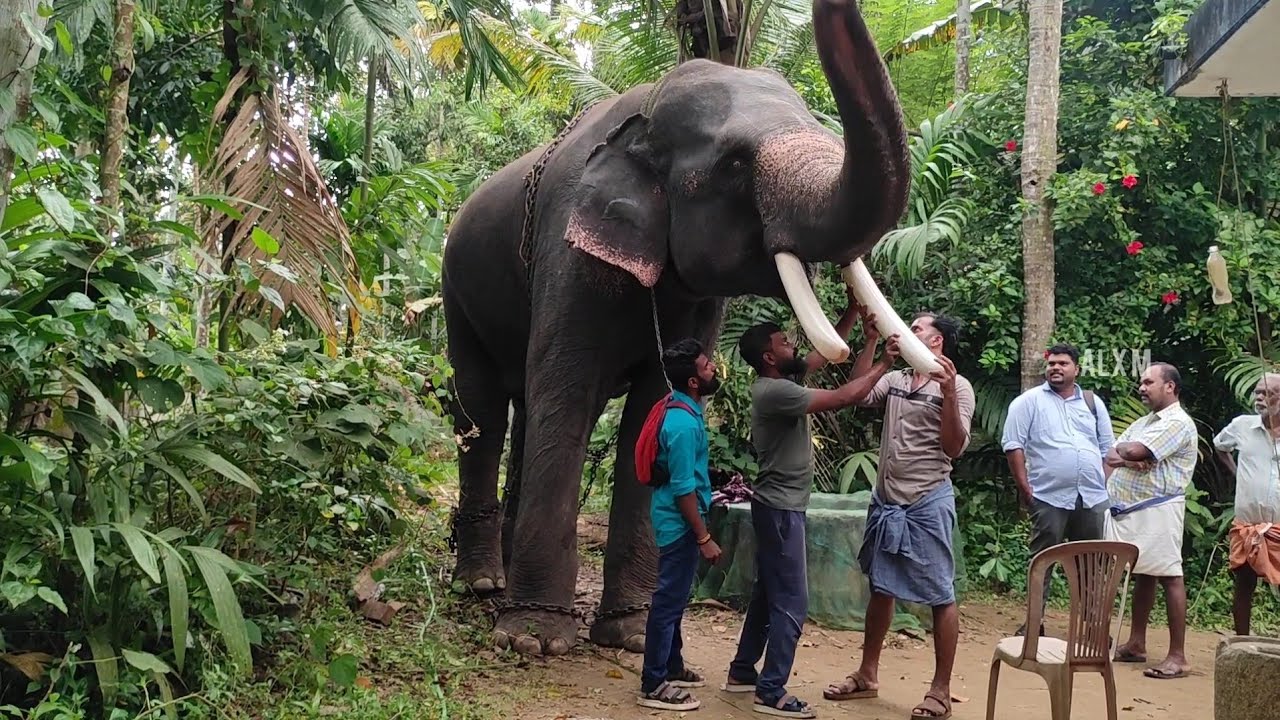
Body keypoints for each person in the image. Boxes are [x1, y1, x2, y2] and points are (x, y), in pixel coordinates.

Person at [724, 289, 899, 719]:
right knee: (793, 602)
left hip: (779, 506)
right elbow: (844, 397)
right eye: (785, 342)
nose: (793, 345)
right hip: (782, 509)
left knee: (769, 592)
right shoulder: (774, 391)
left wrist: (855, 316)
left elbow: (826, 353)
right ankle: (772, 690)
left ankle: (743, 672)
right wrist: (885, 365)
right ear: (769, 356)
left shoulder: (784, 379)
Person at [823, 311, 975, 720]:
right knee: (881, 586)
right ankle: (867, 673)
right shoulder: (896, 380)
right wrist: (874, 346)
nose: (911, 331)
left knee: (941, 594)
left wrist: (944, 394)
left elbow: (953, 447)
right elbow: (855, 392)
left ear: (938, 341)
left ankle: (940, 691)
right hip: (887, 500)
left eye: (919, 327)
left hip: (926, 501)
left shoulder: (958, 386)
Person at [1001, 343, 1115, 636]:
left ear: (1076, 369)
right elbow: (1013, 446)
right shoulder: (1028, 402)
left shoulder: (1092, 402)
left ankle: (1092, 627)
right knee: (1042, 560)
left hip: (1091, 498)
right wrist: (1027, 492)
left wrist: (1100, 482)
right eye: (1052, 363)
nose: (1056, 368)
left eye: (1063, 363)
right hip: (1048, 497)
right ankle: (1034, 622)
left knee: (1092, 563)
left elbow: (1108, 450)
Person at [637, 338, 723, 711]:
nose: (713, 369)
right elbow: (684, 488)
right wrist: (703, 535)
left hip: (673, 517)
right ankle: (653, 683)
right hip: (679, 523)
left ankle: (672, 665)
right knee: (668, 601)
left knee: (674, 597)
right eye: (706, 367)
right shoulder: (683, 426)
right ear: (693, 381)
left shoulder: (677, 410)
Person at [1104, 362, 1198, 680]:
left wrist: (1134, 453)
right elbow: (1113, 452)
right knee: (1144, 574)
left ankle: (1178, 656)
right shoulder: (1147, 421)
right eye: (1141, 382)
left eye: (1148, 382)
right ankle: (1136, 643)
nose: (1142, 388)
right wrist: (1131, 455)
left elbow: (1134, 448)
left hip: (1159, 509)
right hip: (1132, 511)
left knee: (1170, 574)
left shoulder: (1177, 422)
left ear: (1169, 386)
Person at [1212, 373, 1280, 636]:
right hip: (1248, 527)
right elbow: (1220, 446)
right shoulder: (1242, 425)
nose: (1260, 398)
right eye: (1257, 392)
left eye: (1268, 393)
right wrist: (1237, 471)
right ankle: (1241, 643)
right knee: (1244, 584)